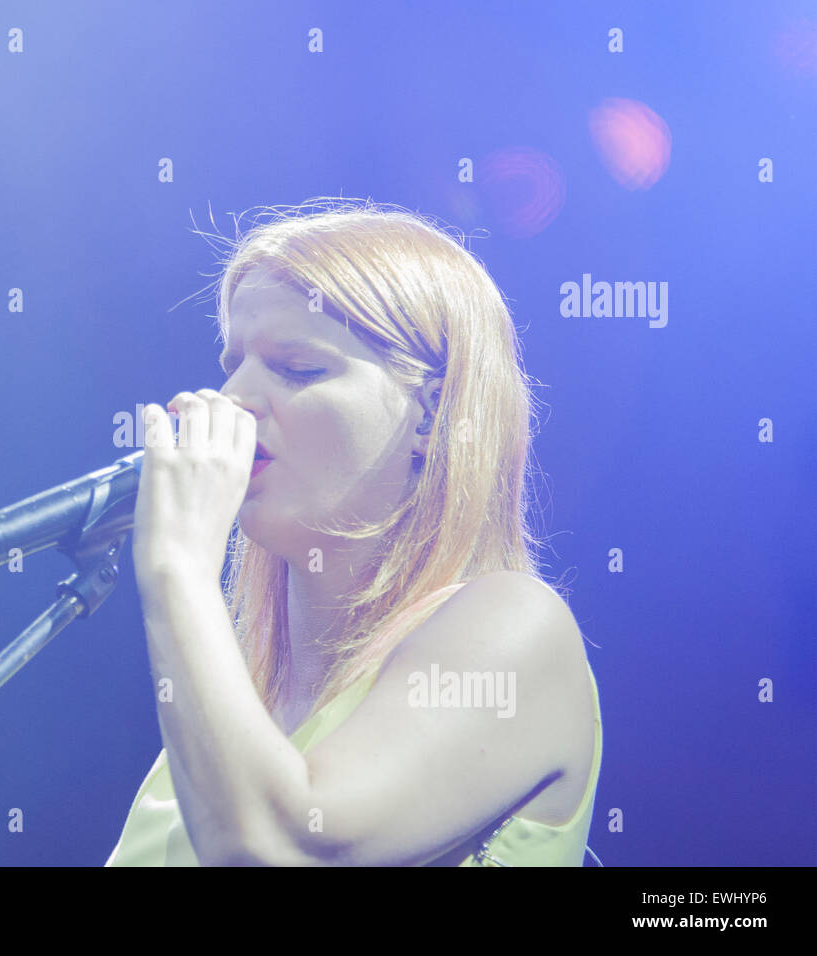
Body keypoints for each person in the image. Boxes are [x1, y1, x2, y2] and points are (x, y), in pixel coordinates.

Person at [105, 198, 602, 866]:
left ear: (431, 413)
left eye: (297, 367)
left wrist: (177, 566)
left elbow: (280, 849)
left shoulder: (514, 625)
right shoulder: (229, 716)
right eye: (233, 365)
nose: (233, 400)